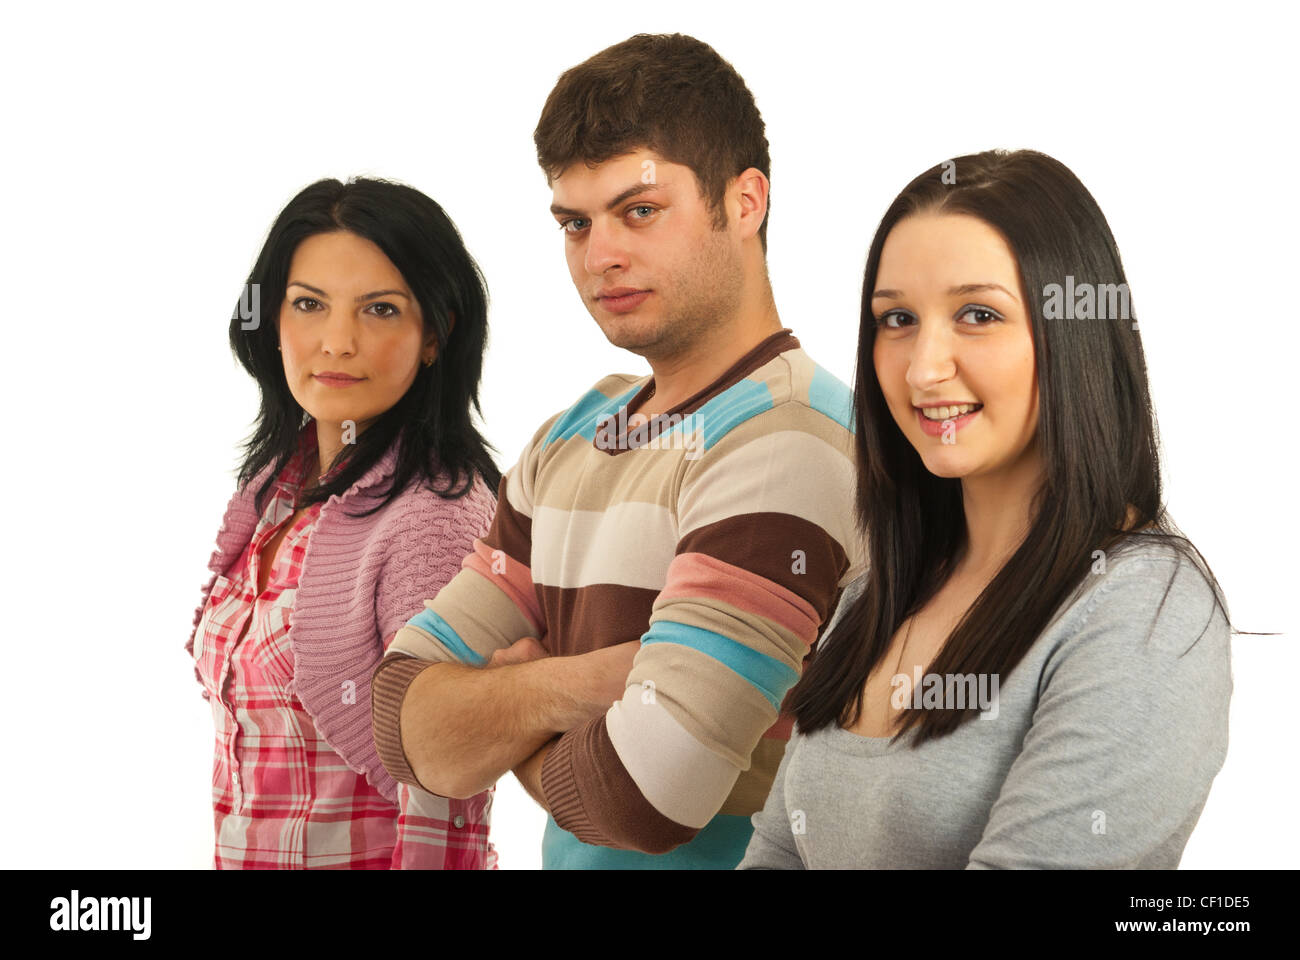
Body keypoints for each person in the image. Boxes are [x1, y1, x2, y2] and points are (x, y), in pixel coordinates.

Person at [370, 33, 866, 869]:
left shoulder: (791, 440)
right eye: (575, 222)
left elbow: (642, 800)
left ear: (745, 203)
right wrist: (590, 682)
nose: (600, 255)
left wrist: (500, 722)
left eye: (639, 211)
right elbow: (401, 726)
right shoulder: (574, 432)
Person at [737, 149, 1234, 869]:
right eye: (897, 318)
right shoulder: (872, 597)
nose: (922, 366)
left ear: (1072, 333)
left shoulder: (1143, 609)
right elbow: (777, 853)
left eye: (977, 314)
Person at [187, 177, 503, 869]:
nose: (336, 342)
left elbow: (443, 799)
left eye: (381, 310)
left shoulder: (435, 520)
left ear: (434, 336)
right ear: (272, 322)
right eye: (309, 305)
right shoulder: (277, 490)